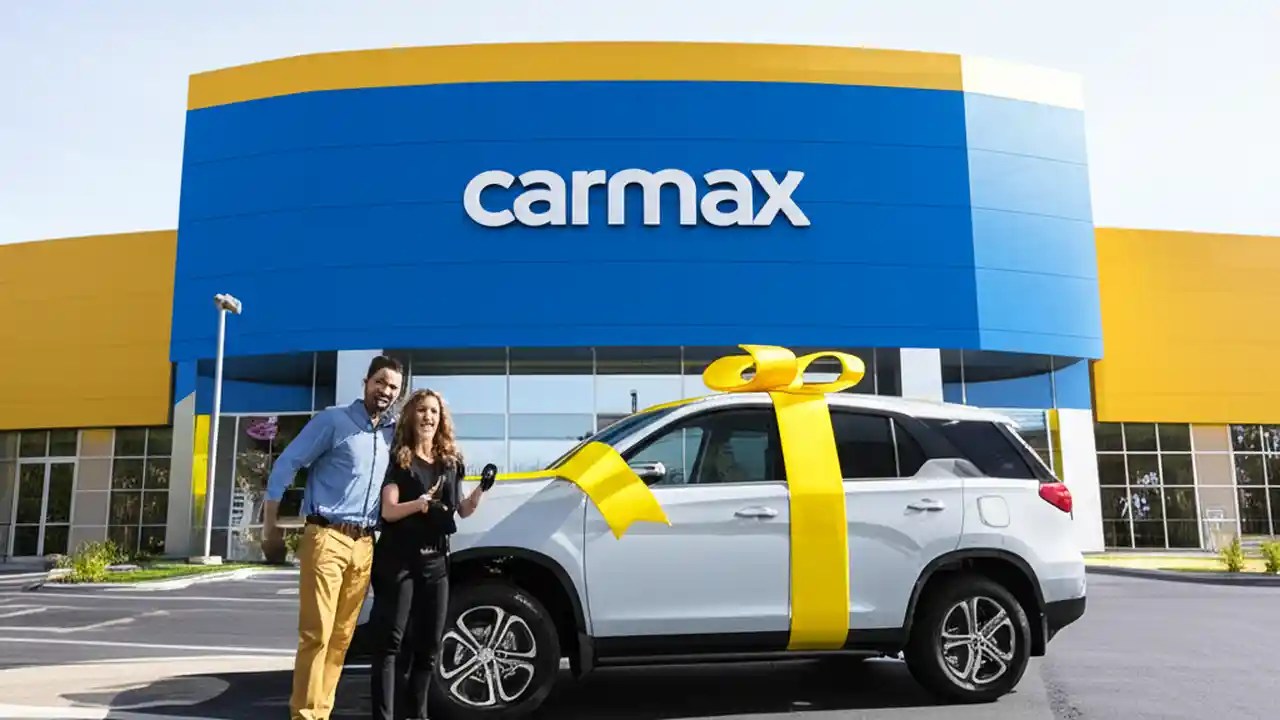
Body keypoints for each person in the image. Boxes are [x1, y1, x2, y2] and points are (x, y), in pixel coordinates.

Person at [262, 355, 404, 720]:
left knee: (342, 638)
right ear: (366, 382)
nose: (385, 391)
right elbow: (287, 463)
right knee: (318, 634)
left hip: (365, 543)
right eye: (380, 382)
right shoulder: (333, 421)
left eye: (393, 387)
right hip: (327, 536)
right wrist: (270, 525)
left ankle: (321, 710)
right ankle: (306, 715)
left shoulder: (391, 434)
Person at [369, 388, 490, 720]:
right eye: (422, 410)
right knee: (392, 644)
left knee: (429, 646)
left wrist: (481, 490)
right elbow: (389, 510)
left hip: (436, 562)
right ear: (411, 416)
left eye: (434, 411)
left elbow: (461, 510)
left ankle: (417, 714)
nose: (428, 416)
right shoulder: (399, 459)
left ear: (441, 419)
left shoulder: (451, 462)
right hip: (399, 560)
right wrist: (419, 504)